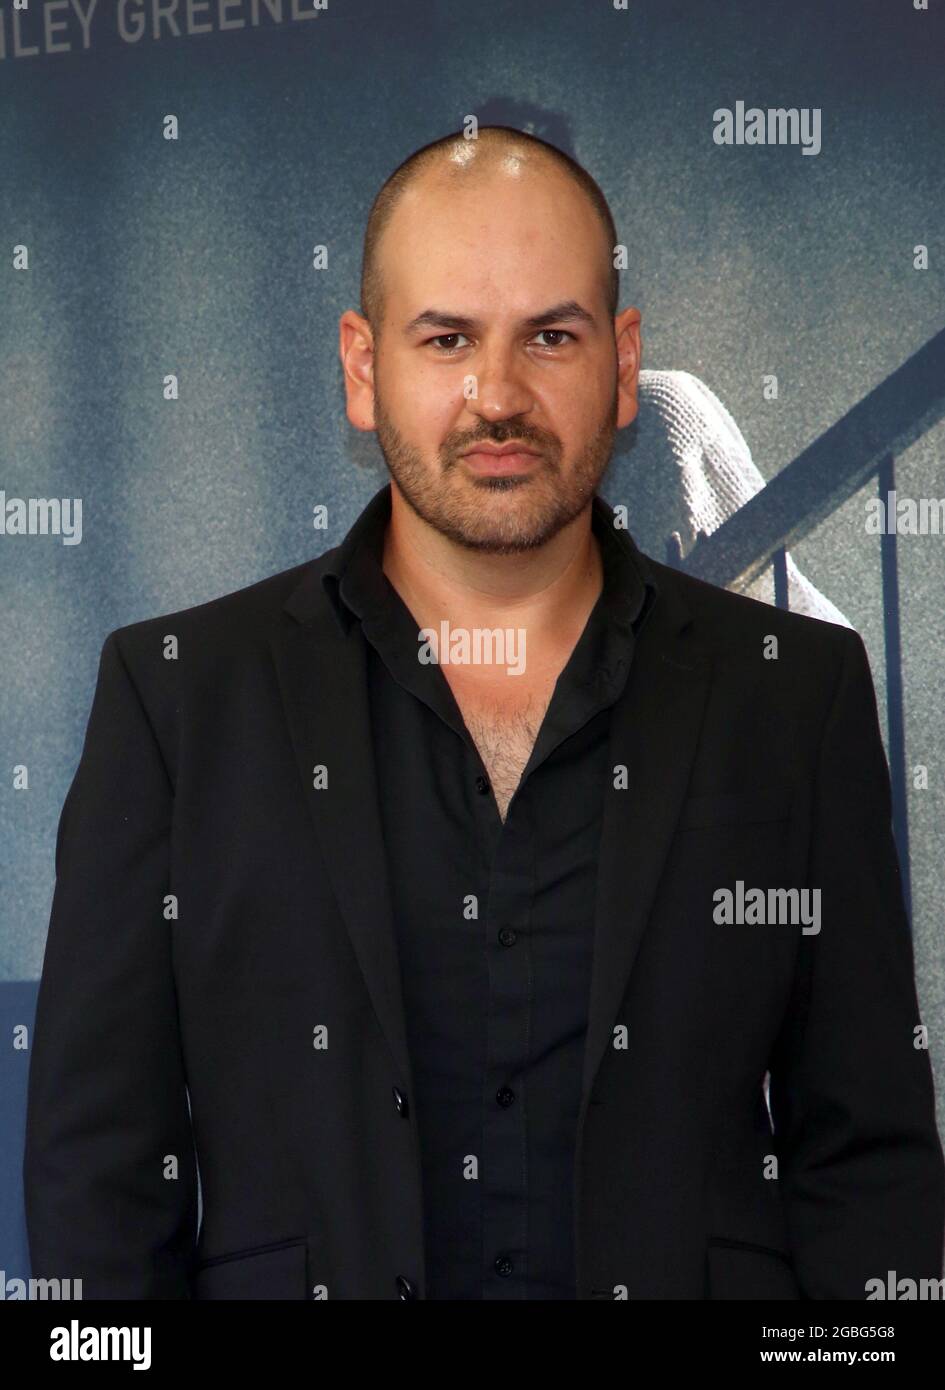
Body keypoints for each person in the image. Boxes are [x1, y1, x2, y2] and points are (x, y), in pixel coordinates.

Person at [24, 125, 944, 1300]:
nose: (496, 395)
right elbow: (94, 1179)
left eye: (550, 336)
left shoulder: (795, 694)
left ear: (623, 364)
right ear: (363, 370)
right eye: (447, 337)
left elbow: (865, 1163)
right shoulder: (177, 699)